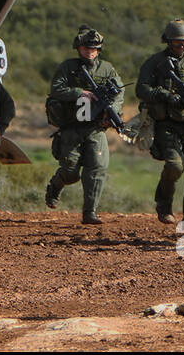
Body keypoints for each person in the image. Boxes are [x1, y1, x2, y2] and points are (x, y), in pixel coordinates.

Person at [43, 25, 124, 224]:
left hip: (95, 127)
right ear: (78, 48)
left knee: (97, 168)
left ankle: (90, 213)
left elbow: (119, 92)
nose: (90, 51)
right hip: (72, 126)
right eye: (87, 47)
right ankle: (56, 185)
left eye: (94, 48)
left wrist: (111, 108)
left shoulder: (107, 69)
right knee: (70, 172)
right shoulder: (68, 67)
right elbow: (56, 89)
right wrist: (80, 93)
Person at [137, 19, 184, 225]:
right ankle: (164, 205)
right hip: (166, 124)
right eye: (177, 43)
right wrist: (165, 95)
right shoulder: (155, 62)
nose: (182, 47)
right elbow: (141, 89)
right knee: (174, 166)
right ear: (168, 42)